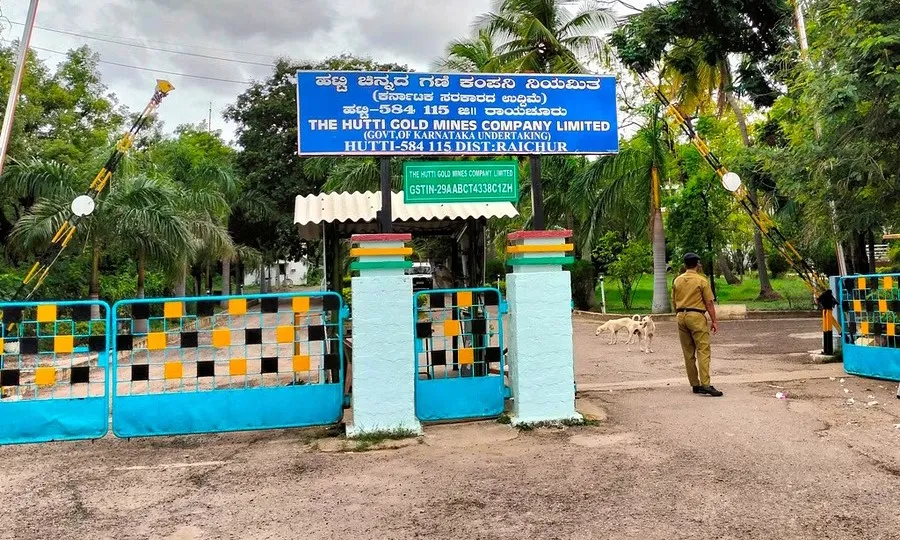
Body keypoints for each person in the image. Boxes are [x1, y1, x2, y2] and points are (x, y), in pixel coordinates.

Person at [672, 253, 722, 397]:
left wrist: (679, 314)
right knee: (703, 349)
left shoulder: (677, 280)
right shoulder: (701, 280)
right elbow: (709, 303)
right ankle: (705, 384)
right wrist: (714, 321)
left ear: (685, 264)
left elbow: (674, 301)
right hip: (696, 316)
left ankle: (695, 384)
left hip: (681, 315)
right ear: (697, 264)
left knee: (688, 352)